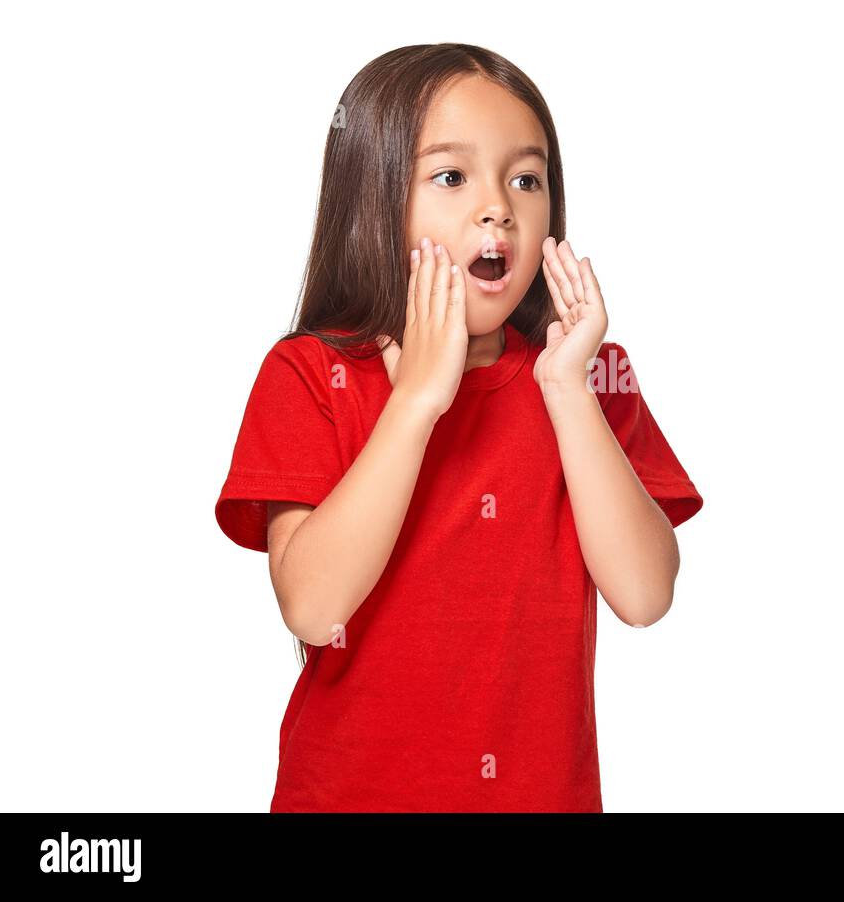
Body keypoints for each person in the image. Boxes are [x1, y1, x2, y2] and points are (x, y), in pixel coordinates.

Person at [214, 43, 703, 812]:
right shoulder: (310, 375)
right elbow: (311, 608)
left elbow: (645, 595)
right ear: (374, 200)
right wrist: (415, 402)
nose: (498, 207)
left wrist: (567, 391)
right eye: (452, 176)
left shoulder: (588, 376)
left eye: (526, 178)